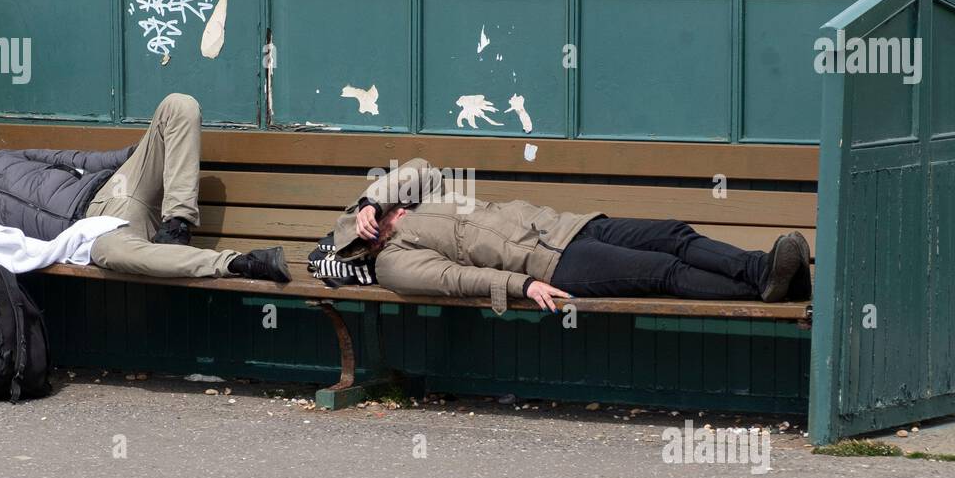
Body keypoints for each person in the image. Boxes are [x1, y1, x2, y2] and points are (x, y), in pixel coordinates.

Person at [0, 93, 290, 283]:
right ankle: (239, 263)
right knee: (118, 257)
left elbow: (74, 160)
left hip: (113, 188)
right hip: (90, 231)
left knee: (177, 105)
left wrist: (144, 151)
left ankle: (178, 223)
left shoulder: (2, 161)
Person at [332, 158, 810, 312]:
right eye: (365, 226)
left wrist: (373, 198)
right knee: (662, 271)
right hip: (551, 266)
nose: (376, 222)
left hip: (567, 226)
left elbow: (421, 166)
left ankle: (760, 269)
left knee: (673, 234)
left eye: (372, 215)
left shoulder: (416, 197)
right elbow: (456, 279)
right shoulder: (393, 262)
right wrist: (520, 287)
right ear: (360, 246)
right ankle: (766, 289)